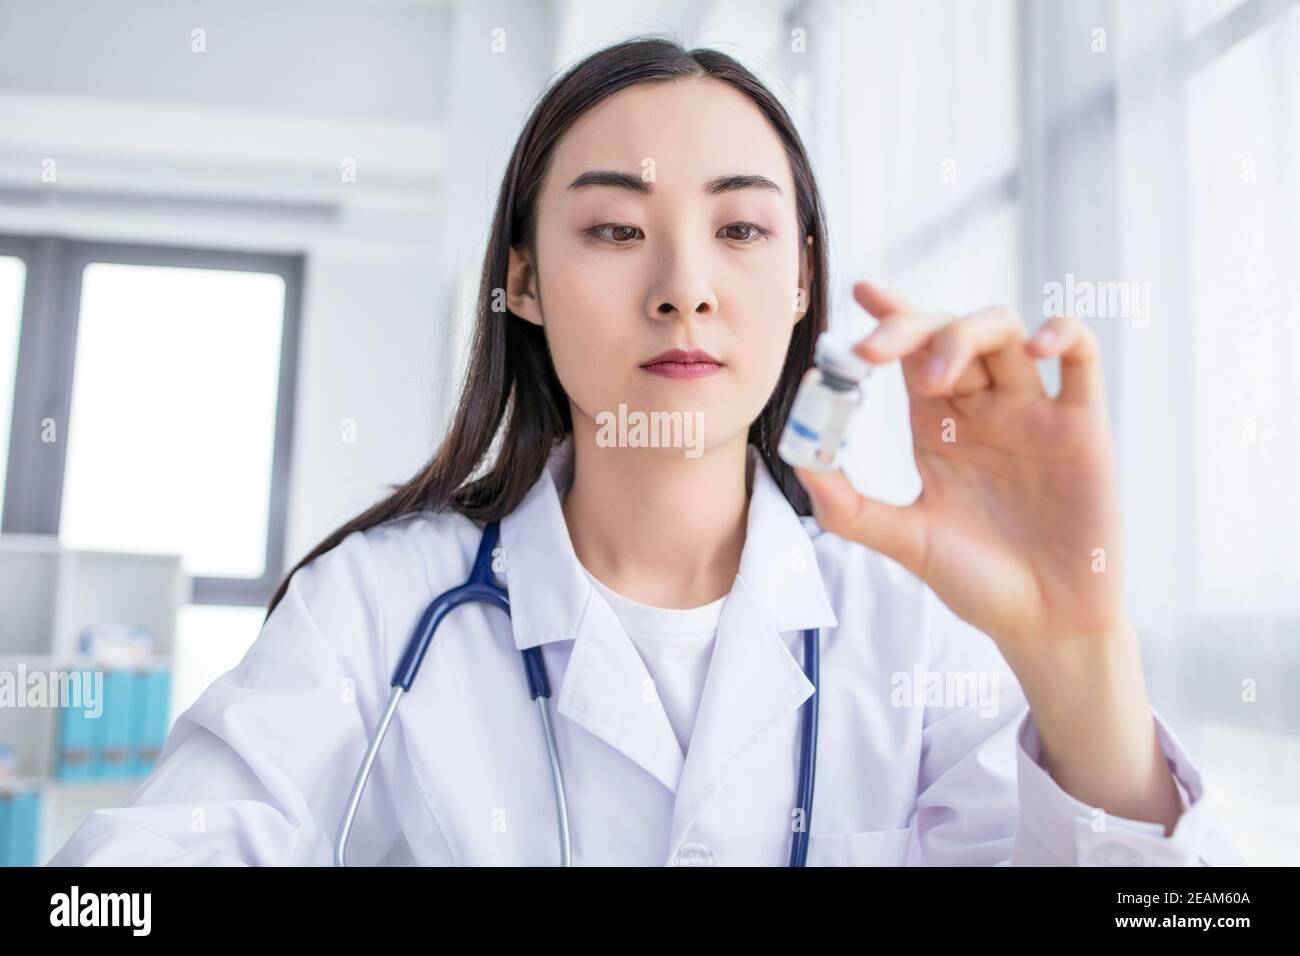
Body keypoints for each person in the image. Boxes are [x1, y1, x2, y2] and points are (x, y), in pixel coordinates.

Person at [49, 37, 1243, 867]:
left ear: (802, 283)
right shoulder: (376, 608)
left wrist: (1079, 649)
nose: (683, 289)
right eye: (614, 228)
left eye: (739, 228)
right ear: (521, 278)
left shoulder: (912, 626)